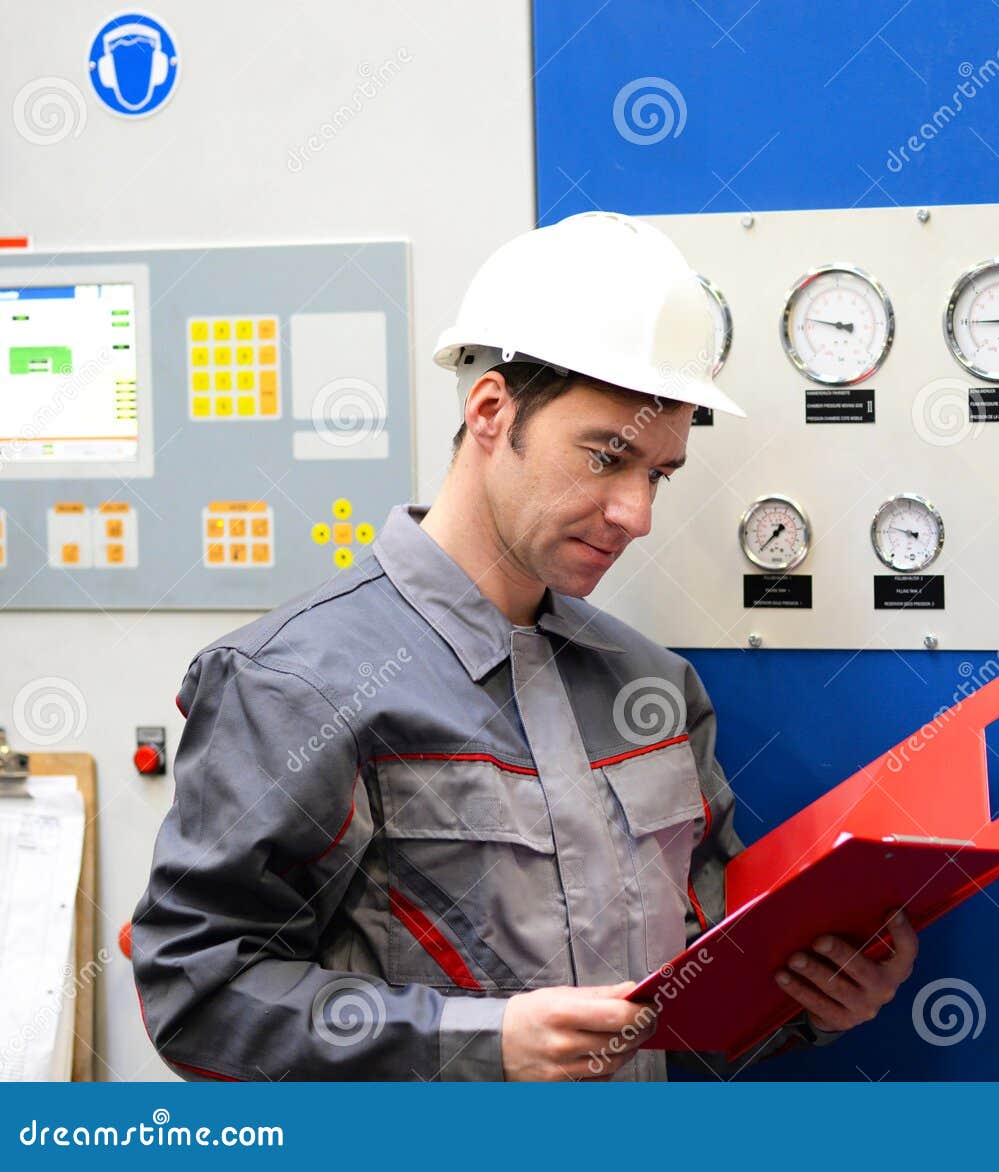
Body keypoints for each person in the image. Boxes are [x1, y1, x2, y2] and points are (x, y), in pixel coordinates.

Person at [131, 211, 920, 1081]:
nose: (639, 514)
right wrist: (480, 1042)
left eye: (657, 472)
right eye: (606, 458)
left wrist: (807, 1000)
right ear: (491, 411)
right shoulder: (293, 685)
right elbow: (199, 995)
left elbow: (702, 984)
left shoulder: (652, 690)